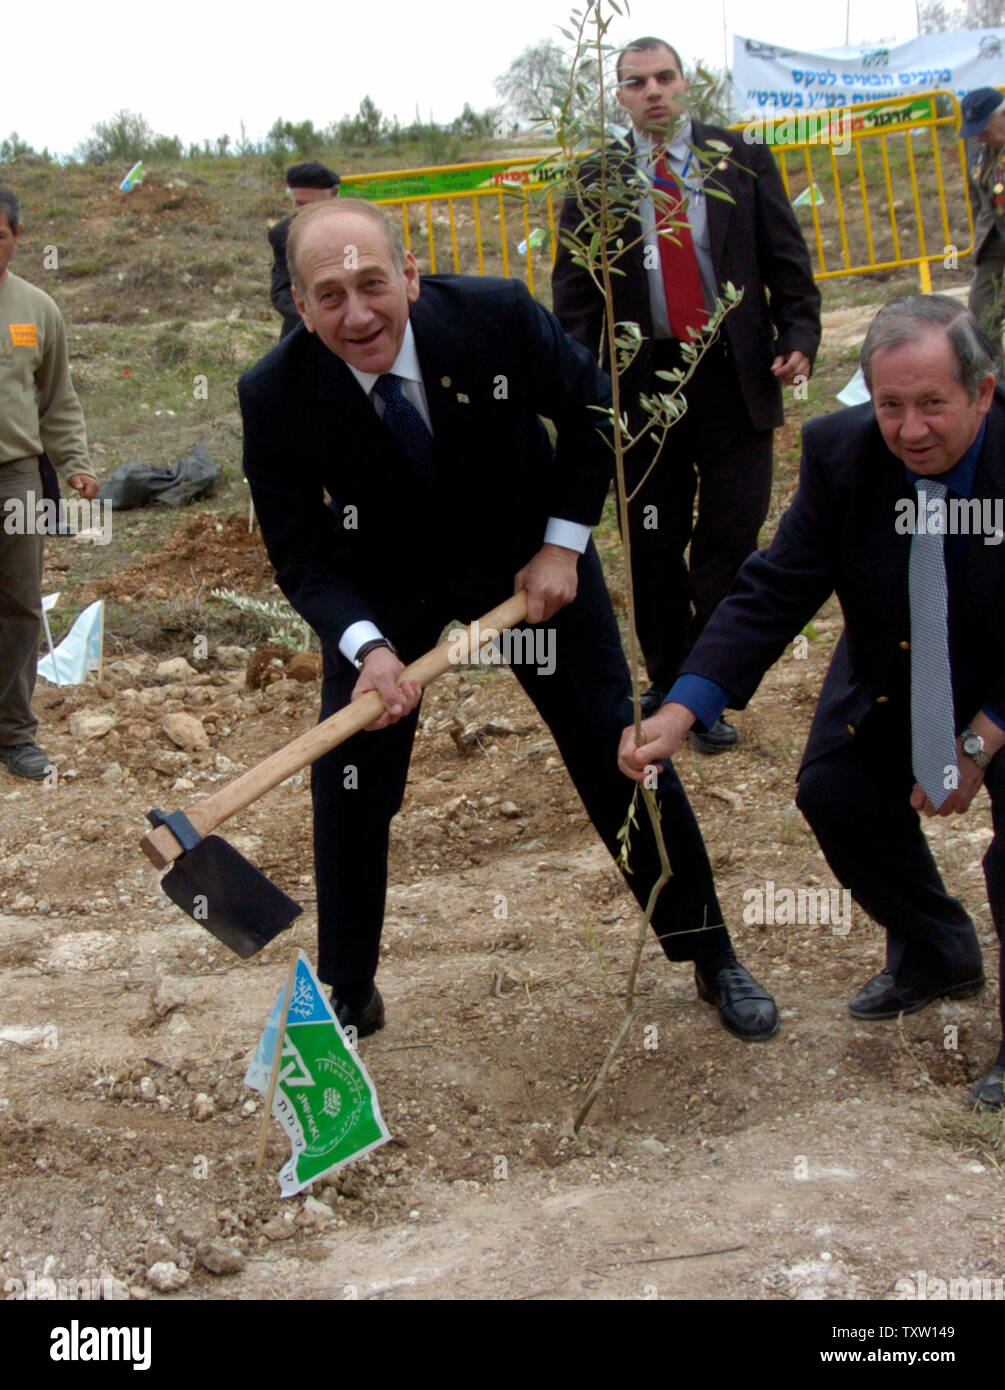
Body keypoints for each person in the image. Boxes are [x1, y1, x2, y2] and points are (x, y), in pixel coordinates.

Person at [239, 198, 778, 1043]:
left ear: (409, 276)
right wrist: (367, 646)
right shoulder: (275, 396)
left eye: (373, 283)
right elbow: (301, 552)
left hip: (532, 568)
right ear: (299, 307)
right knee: (346, 783)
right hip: (386, 597)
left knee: (617, 752)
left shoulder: (493, 318)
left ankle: (709, 952)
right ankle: (350, 988)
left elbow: (598, 412)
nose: (358, 313)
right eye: (330, 295)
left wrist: (563, 545)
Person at [619, 296, 1005, 1109]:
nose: (909, 430)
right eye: (890, 405)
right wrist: (683, 708)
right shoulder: (841, 455)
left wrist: (974, 745)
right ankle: (937, 954)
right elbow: (774, 588)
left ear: (981, 392)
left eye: (933, 403)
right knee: (836, 790)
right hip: (905, 659)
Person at [552, 35, 821, 752]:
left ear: (686, 83)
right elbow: (575, 294)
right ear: (620, 96)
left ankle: (707, 689)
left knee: (731, 532)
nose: (653, 92)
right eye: (636, 82)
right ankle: (667, 677)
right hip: (642, 387)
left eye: (664, 78)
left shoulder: (741, 158)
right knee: (651, 540)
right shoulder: (595, 179)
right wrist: (587, 381)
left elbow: (783, 258)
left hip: (734, 375)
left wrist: (798, 331)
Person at [0, 186, 98, 781]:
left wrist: (75, 461)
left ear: (15, 236)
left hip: (16, 480)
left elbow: (57, 398)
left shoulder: (37, 309)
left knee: (17, 604)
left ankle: (14, 733)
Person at [268, 161, 340, 339]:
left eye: (314, 205)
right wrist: (316, 318)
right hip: (305, 327)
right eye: (300, 204)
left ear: (334, 195)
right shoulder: (282, 235)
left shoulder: (352, 230)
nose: (305, 212)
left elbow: (353, 270)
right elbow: (282, 292)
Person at [960, 86, 1005, 367]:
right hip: (994, 242)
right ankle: (997, 388)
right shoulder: (980, 145)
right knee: (982, 316)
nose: (980, 136)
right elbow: (977, 196)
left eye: (985, 129)